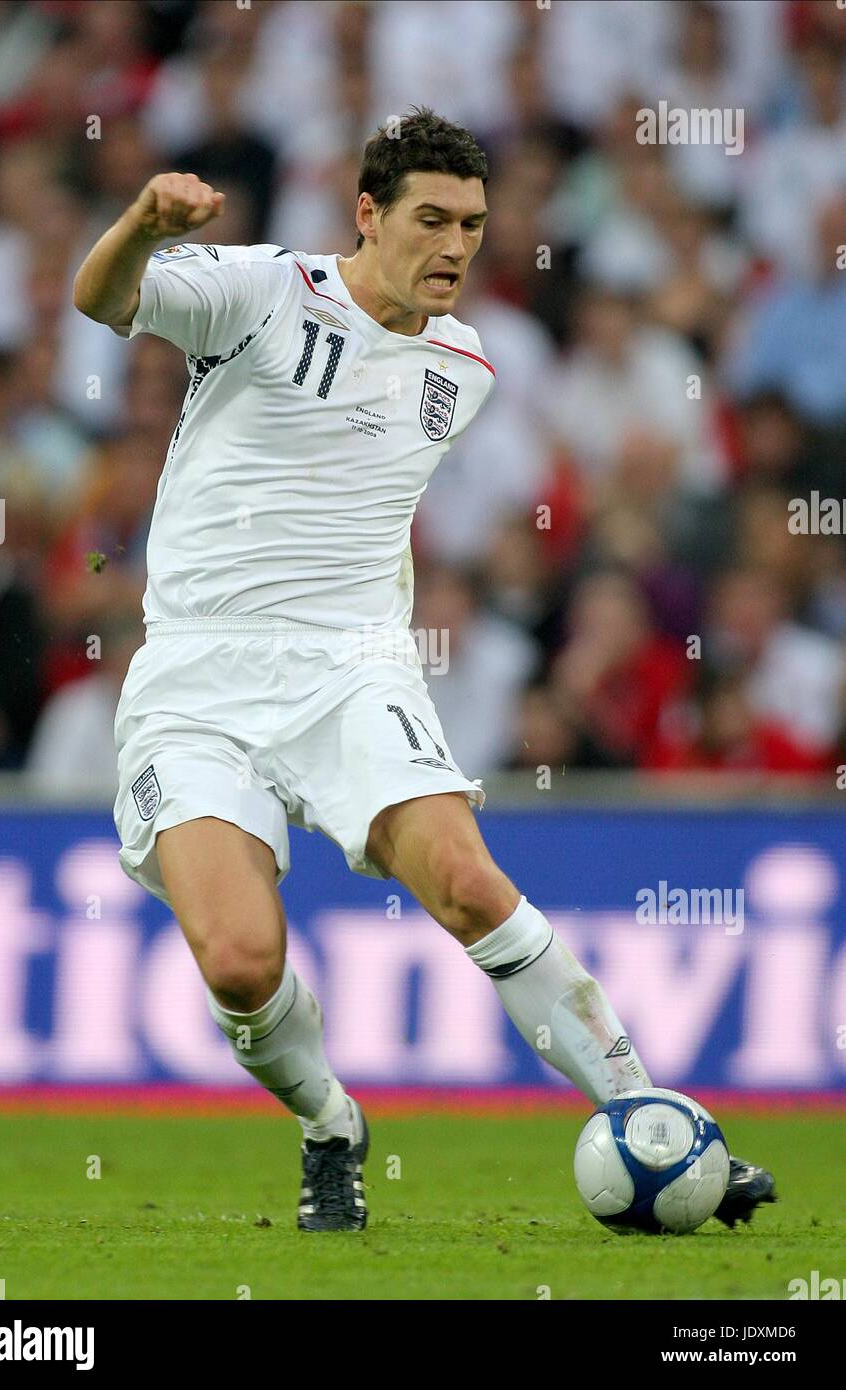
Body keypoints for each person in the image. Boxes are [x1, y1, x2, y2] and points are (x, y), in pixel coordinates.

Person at [73, 106, 774, 1233]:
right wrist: (144, 225)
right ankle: (330, 1122)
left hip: (353, 669)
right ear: (368, 214)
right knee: (245, 964)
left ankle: (651, 1115)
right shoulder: (258, 290)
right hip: (198, 678)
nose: (455, 246)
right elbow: (101, 300)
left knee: (466, 880)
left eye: (475, 225)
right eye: (431, 220)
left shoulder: (468, 367)